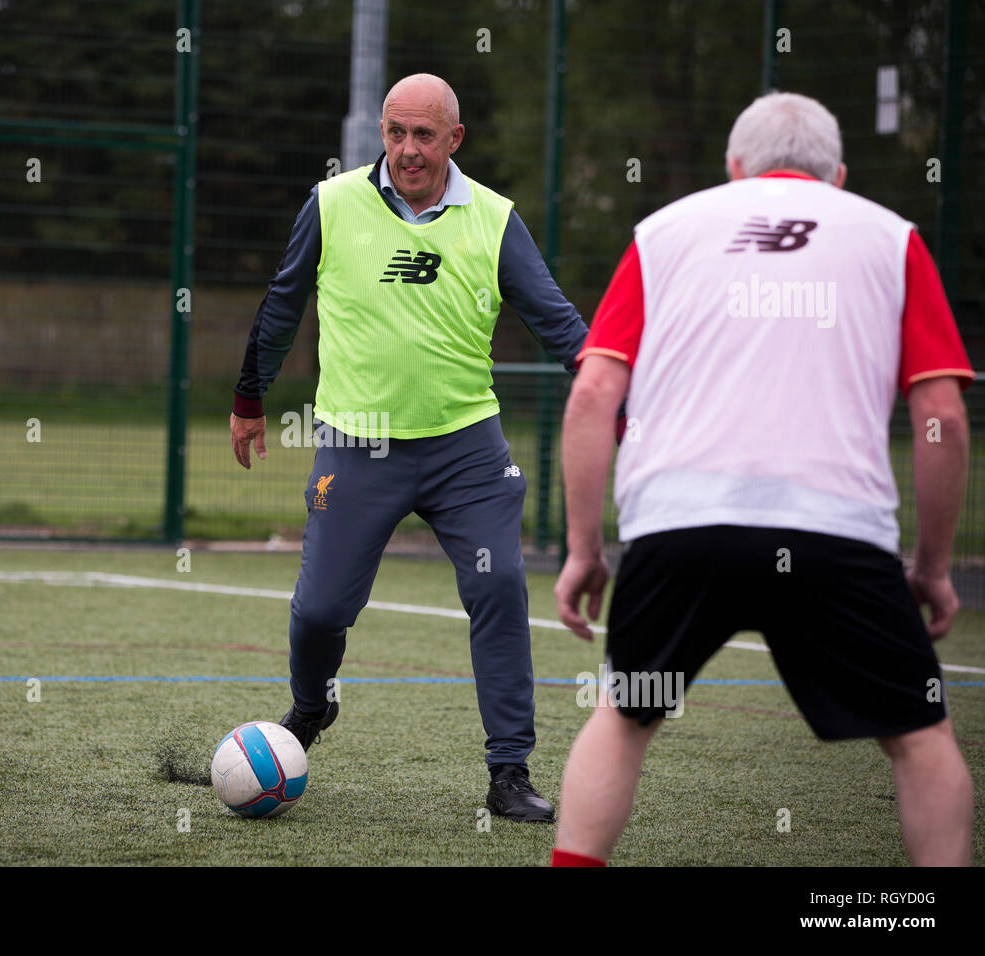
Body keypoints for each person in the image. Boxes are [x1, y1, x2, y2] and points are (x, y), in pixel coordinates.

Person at [551, 91, 974, 865]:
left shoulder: (662, 232)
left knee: (624, 716)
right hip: (834, 529)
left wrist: (584, 549)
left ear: (734, 166)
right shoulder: (892, 238)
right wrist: (933, 567)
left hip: (682, 522)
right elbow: (940, 412)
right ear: (838, 175)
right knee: (919, 738)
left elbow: (591, 395)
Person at [230, 73, 588, 820]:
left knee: (499, 589)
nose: (408, 149)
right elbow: (283, 302)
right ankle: (311, 706)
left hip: (468, 453)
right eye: (396, 132)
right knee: (320, 611)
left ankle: (509, 771)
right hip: (356, 448)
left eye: (425, 134)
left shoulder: (494, 218)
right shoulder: (331, 203)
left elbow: (556, 320)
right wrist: (249, 398)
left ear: (454, 139)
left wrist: (608, 388)